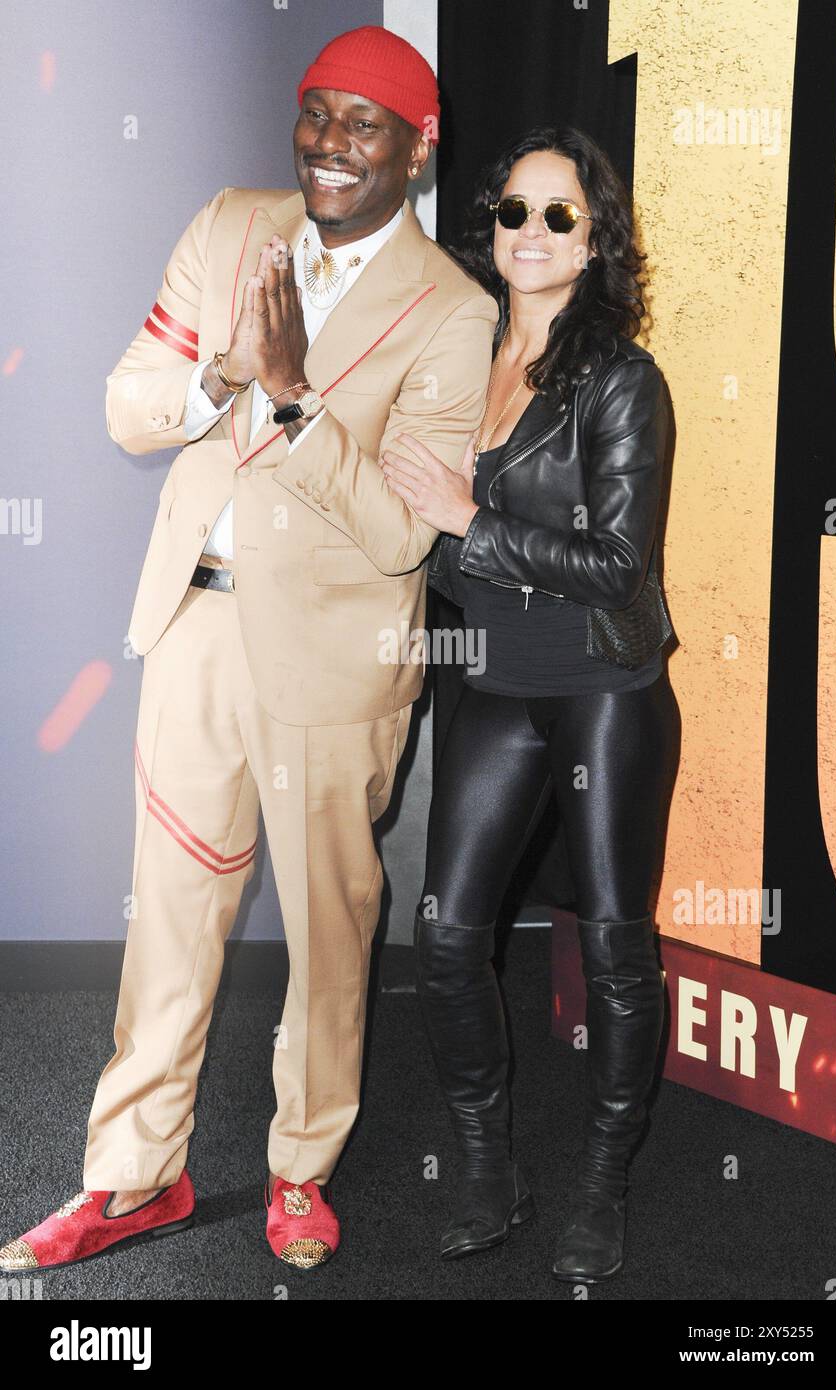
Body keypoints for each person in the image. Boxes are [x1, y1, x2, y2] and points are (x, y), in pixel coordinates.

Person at [0, 25, 497, 1276]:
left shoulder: (454, 311)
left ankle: (299, 1171)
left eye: (363, 123)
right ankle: (131, 1178)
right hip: (197, 625)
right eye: (317, 114)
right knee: (168, 915)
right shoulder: (231, 227)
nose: (330, 143)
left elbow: (398, 530)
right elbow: (127, 405)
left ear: (419, 147)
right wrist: (225, 386)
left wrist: (291, 398)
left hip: (341, 654)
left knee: (330, 932)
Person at [381, 125, 680, 1284]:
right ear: (492, 226)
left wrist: (468, 521)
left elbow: (618, 565)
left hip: (605, 685)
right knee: (446, 933)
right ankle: (487, 1167)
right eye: (515, 211)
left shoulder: (622, 379)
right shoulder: (467, 356)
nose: (533, 233)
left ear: (595, 236)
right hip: (498, 683)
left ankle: (603, 1185)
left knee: (615, 947)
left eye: (561, 215)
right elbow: (434, 533)